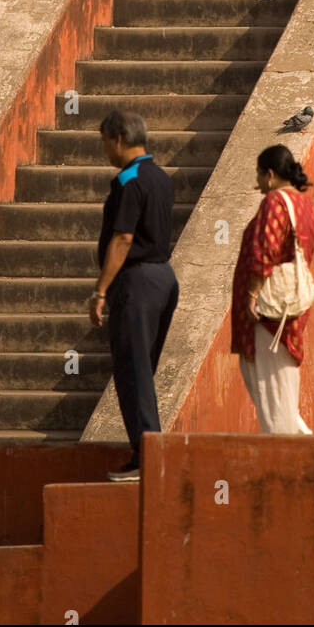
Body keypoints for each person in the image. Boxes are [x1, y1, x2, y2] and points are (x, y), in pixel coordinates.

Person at [90, 109, 178, 481]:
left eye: (106, 142)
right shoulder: (160, 177)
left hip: (137, 283)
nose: (106, 150)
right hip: (163, 279)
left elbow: (123, 238)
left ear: (119, 140)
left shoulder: (129, 180)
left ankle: (147, 458)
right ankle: (147, 454)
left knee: (133, 371)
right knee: (142, 370)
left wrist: (101, 289)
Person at [231, 144, 314, 433]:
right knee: (280, 397)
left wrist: (253, 295)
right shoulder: (304, 204)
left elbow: (265, 253)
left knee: (272, 399)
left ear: (269, 174)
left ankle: (286, 469)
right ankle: (306, 453)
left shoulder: (275, 202)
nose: (257, 184)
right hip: (287, 308)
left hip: (269, 313)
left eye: (259, 176)